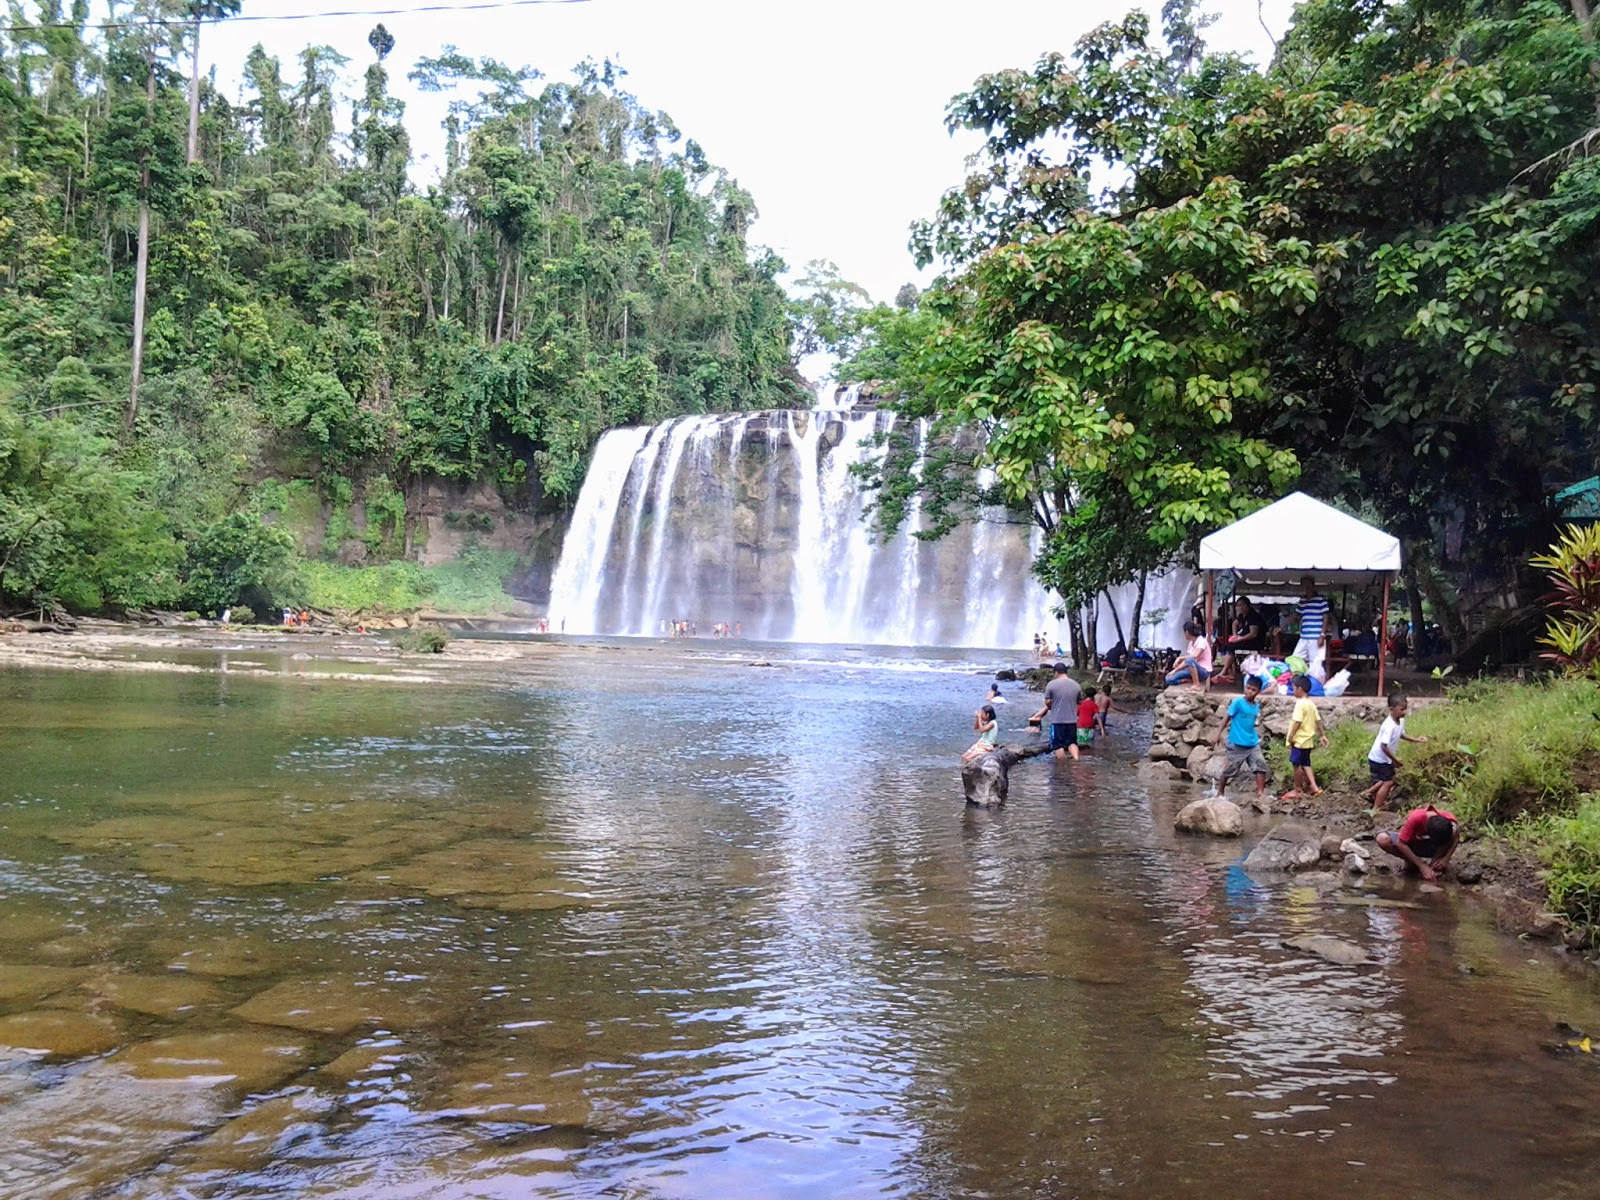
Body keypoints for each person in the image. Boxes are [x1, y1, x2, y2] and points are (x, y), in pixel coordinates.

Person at [1361, 695, 1429, 810]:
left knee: (1389, 779)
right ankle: (1376, 808)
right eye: (1402, 709)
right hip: (1379, 758)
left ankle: (1369, 793)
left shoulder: (1400, 720)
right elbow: (1383, 746)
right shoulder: (1389, 725)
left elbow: (1401, 734)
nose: (1405, 712)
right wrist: (1395, 760)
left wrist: (1416, 740)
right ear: (1391, 709)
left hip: (1384, 758)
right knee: (1387, 782)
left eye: (1405, 708)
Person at [1213, 674, 1269, 799]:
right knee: (1229, 769)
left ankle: (1260, 792)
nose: (1250, 691)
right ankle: (1220, 793)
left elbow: (1253, 722)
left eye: (1253, 690)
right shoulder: (1238, 702)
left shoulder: (1256, 706)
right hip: (1236, 743)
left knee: (1260, 764)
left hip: (1252, 743)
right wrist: (1218, 734)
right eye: (1248, 688)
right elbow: (1226, 718)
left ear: (1258, 692)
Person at [1376, 805, 1459, 881]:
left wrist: (1446, 859)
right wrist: (1421, 866)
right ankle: (1412, 863)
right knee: (1382, 839)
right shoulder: (1416, 818)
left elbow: (1456, 836)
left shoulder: (1449, 819)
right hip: (1413, 844)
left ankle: (1434, 865)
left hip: (1434, 847)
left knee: (1451, 837)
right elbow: (1400, 842)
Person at [1281, 674, 1328, 799]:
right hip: (1308, 740)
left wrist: (1291, 736)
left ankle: (1298, 790)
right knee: (1306, 764)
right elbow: (1318, 720)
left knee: (1296, 764)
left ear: (1299, 689)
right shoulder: (1311, 703)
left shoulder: (1300, 704)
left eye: (1293, 687)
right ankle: (1314, 787)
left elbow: (1298, 721)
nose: (1293, 690)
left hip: (1299, 740)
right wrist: (1322, 735)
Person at [1030, 662, 1083, 762]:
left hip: (1057, 720)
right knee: (1072, 742)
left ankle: (1062, 765)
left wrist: (1052, 707)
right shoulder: (1076, 685)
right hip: (1072, 720)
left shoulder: (1051, 684)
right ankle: (1076, 760)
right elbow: (1079, 702)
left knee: (1058, 744)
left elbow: (1047, 701)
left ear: (1056, 672)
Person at [1215, 597, 1265, 683]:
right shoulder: (1242, 615)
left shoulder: (1253, 616)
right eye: (1237, 606)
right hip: (1244, 640)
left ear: (1247, 606)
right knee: (1225, 646)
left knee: (1230, 647)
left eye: (1241, 605)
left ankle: (1224, 671)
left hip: (1255, 642)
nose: (1239, 608)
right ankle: (1230, 672)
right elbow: (1235, 623)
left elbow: (1253, 634)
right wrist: (1235, 635)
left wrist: (1239, 639)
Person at [1293, 577, 1330, 677]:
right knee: (1295, 659)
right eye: (1304, 586)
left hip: (1316, 637)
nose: (1306, 588)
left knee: (1316, 663)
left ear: (1313, 586)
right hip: (1304, 637)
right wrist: (1282, 627)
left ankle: (1317, 682)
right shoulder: (1302, 600)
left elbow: (1325, 617)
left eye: (1308, 585)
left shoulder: (1321, 600)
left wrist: (1322, 635)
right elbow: (1295, 616)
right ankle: (1301, 680)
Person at [1164, 621, 1213, 687]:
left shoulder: (1201, 641)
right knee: (1169, 679)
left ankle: (1196, 684)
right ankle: (1187, 680)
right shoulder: (1191, 643)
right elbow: (1187, 662)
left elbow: (1194, 656)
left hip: (1204, 671)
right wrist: (1175, 670)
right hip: (1192, 670)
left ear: (1187, 632)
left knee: (1189, 659)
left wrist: (1180, 658)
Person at [1076, 687, 1100, 751]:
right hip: (1090, 725)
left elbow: (1077, 714)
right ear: (1093, 696)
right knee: (1089, 744)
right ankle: (1089, 755)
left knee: (1080, 744)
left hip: (1080, 725)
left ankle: (1081, 756)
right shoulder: (1094, 705)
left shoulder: (1081, 704)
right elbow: (1098, 717)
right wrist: (1102, 729)